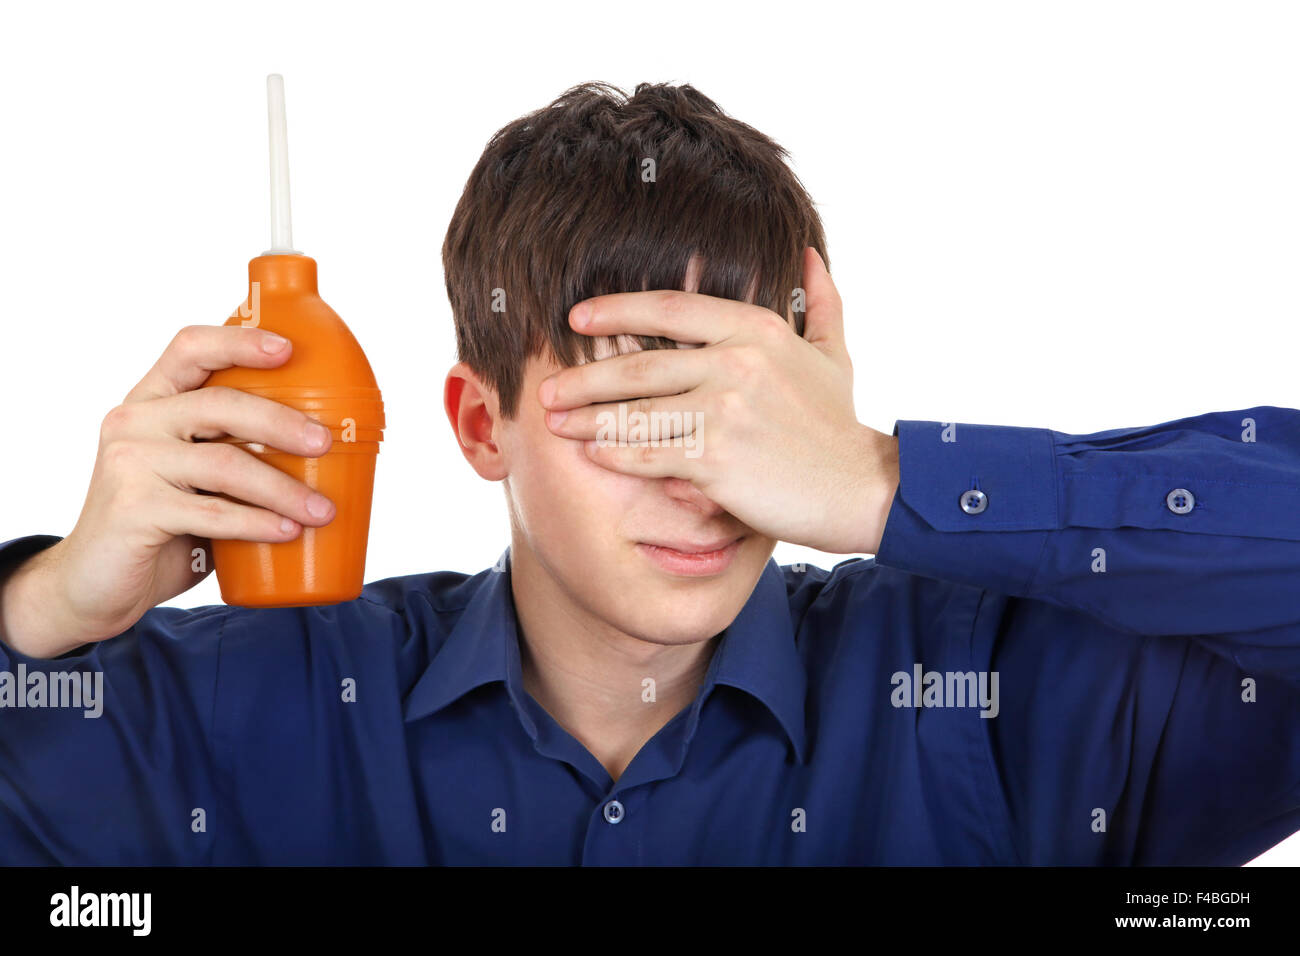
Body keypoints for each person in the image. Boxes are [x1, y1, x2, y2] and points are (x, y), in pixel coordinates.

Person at [0, 82, 1296, 865]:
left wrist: (875, 482)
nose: (702, 480)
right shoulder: (266, 704)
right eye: (633, 399)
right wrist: (43, 610)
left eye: (742, 408)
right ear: (478, 424)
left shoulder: (995, 695)